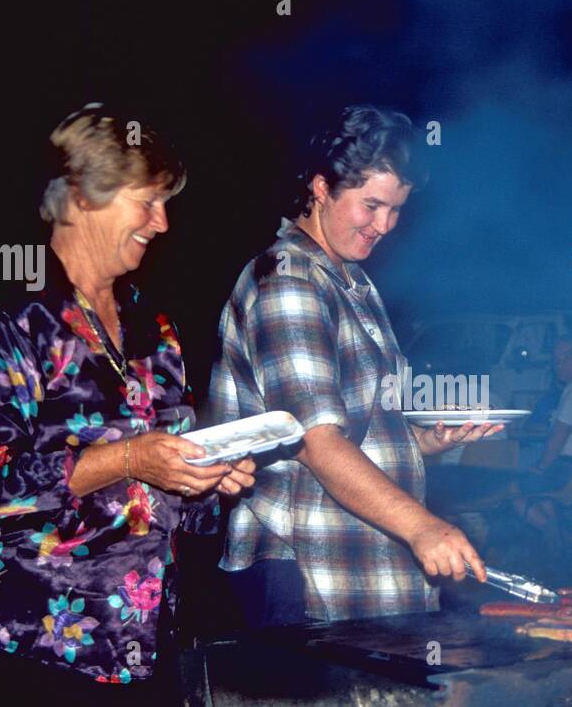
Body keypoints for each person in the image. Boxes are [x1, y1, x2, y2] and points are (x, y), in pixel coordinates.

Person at [0, 103, 256, 707]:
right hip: (42, 648)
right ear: (81, 195)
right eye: (148, 203)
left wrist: (213, 475)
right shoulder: (9, 320)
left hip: (147, 643)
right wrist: (131, 457)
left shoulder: (154, 322)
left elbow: (176, 500)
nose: (163, 223)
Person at [209, 105, 501, 626]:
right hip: (306, 571)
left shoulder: (353, 285)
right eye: (371, 206)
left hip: (366, 569)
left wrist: (430, 439)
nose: (384, 225)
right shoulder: (288, 280)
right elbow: (317, 443)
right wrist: (423, 527)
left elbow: (367, 431)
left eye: (396, 210)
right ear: (321, 188)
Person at [514, 334, 572, 550]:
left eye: (566, 357)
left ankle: (563, 538)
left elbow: (559, 436)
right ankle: (568, 540)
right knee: (545, 493)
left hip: (571, 470)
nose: (559, 363)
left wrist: (542, 466)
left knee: (515, 490)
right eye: (556, 359)